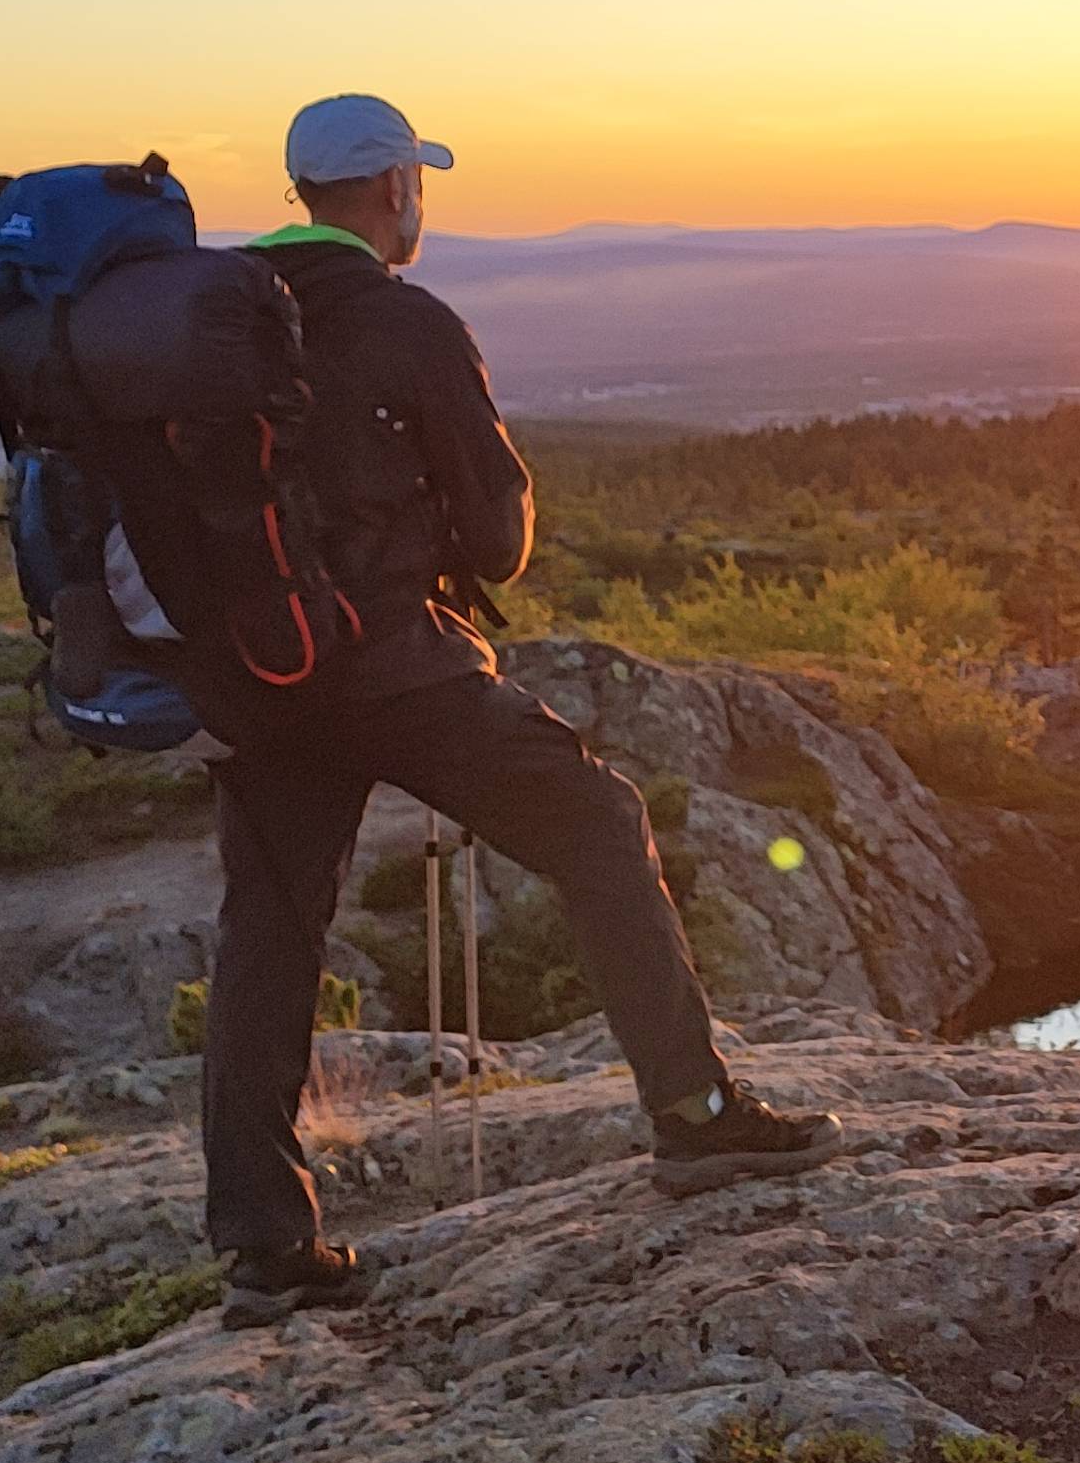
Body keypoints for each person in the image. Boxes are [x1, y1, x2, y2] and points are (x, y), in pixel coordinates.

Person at [196, 94, 842, 1329]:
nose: (418, 202)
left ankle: (265, 1242)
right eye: (416, 183)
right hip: (394, 668)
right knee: (598, 824)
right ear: (394, 188)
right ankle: (696, 1114)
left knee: (268, 932)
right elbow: (497, 530)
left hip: (254, 676)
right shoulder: (405, 321)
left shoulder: (213, 320)